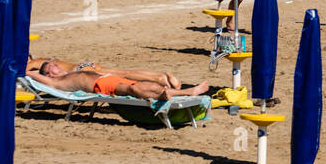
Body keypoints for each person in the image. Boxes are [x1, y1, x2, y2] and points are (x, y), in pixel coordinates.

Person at [29, 59, 208, 100]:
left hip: (106, 78)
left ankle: (177, 91)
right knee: (132, 89)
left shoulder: (64, 72)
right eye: (52, 66)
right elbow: (30, 72)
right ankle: (174, 92)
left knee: (136, 85)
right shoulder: (55, 82)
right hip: (101, 85)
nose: (56, 64)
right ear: (49, 74)